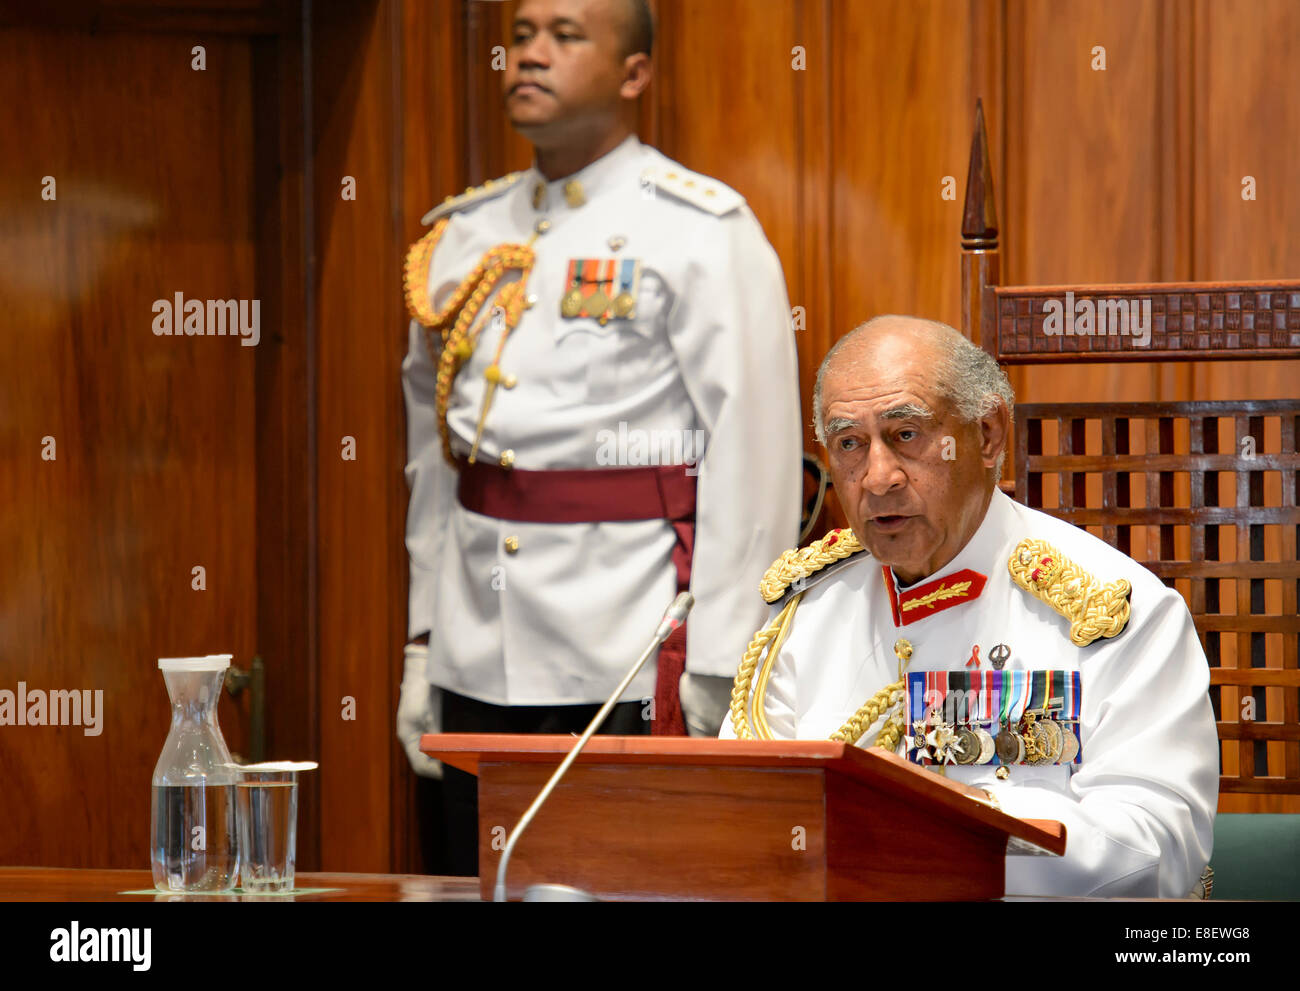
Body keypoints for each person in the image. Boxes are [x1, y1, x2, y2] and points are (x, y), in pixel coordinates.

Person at [398, 0, 802, 875]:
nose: (529, 57)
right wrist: (422, 642)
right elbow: (437, 461)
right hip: (475, 646)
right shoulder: (462, 234)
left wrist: (724, 663)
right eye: (519, 36)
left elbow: (753, 458)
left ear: (634, 74)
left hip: (620, 651)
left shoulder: (698, 229)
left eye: (564, 36)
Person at [722, 315, 1218, 898]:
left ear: (987, 435)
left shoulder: (1107, 611)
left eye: (906, 434)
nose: (878, 478)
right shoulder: (808, 611)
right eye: (849, 444)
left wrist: (958, 826)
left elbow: (1159, 846)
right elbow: (742, 813)